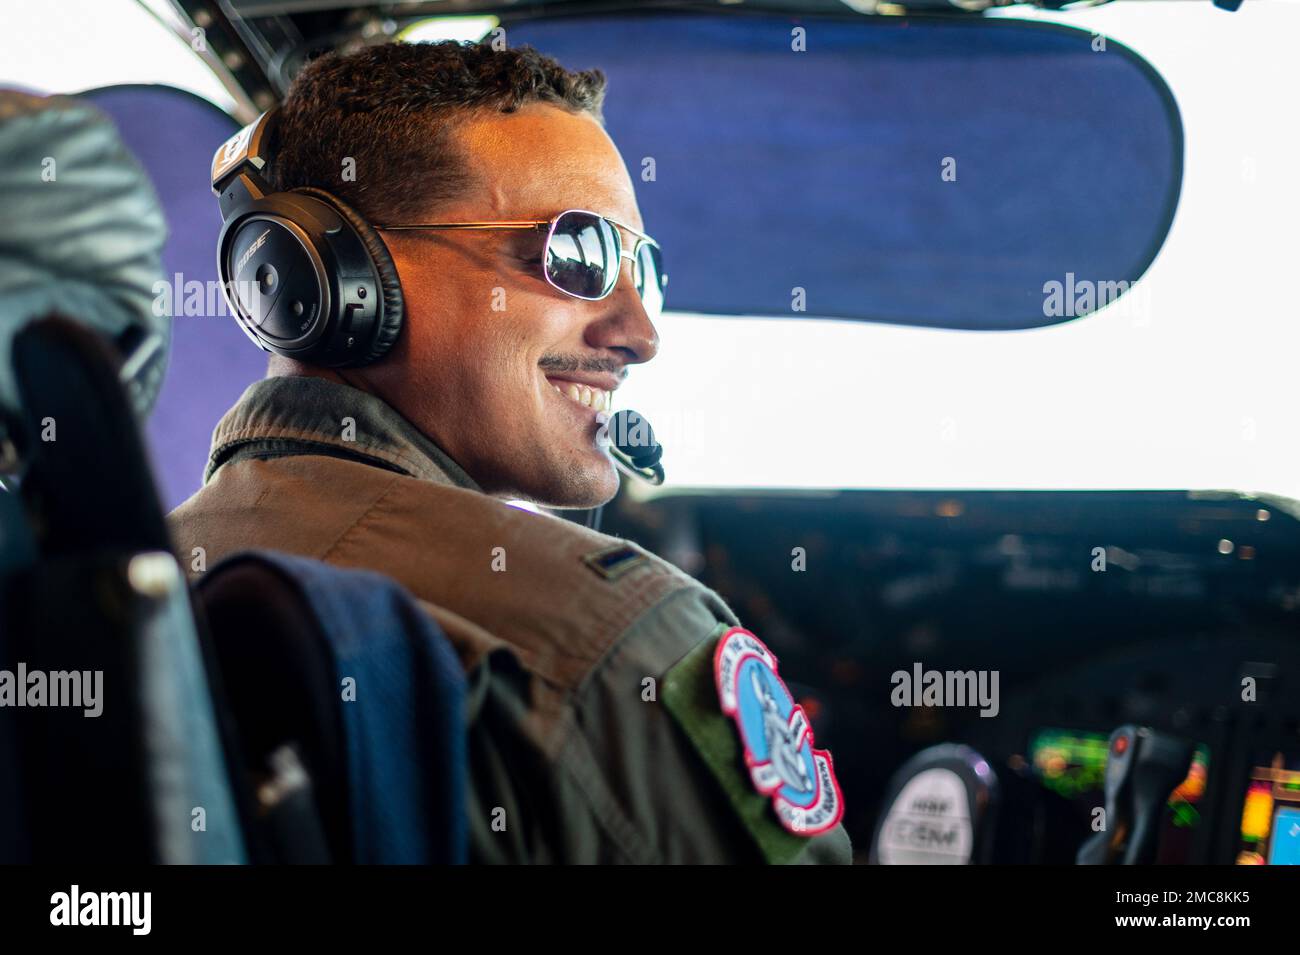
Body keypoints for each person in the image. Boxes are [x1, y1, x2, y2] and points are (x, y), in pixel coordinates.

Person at [169, 40, 850, 863]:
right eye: (578, 254)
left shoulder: (140, 577)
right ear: (333, 277)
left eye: (646, 270)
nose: (641, 334)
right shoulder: (608, 640)